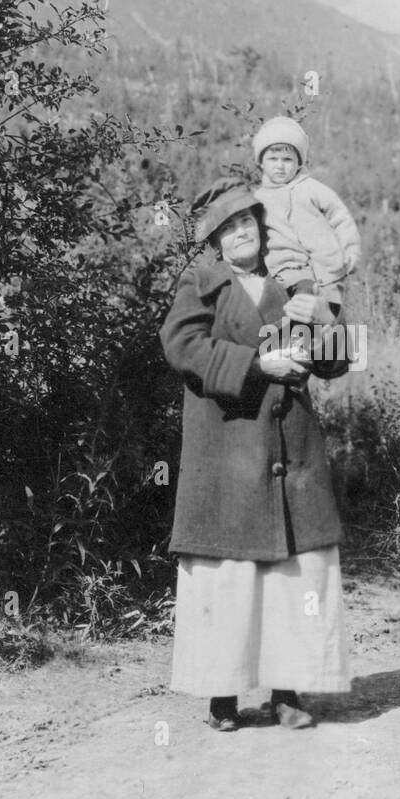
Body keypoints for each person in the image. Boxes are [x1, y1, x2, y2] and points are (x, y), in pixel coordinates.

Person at [160, 177, 352, 732]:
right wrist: (256, 366)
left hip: (291, 451)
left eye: (249, 222)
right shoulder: (201, 281)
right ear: (215, 240)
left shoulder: (291, 285)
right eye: (230, 226)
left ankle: (286, 694)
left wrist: (323, 321)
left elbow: (337, 361)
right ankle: (222, 697)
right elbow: (180, 346)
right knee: (227, 573)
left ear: (261, 230)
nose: (241, 232)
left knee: (292, 575)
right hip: (226, 448)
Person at [252, 116, 361, 310]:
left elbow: (340, 218)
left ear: (299, 163)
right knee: (296, 314)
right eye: (272, 159)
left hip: (328, 270)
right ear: (261, 162)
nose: (280, 166)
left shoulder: (311, 188)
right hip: (285, 272)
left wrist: (350, 250)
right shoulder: (259, 199)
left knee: (330, 318)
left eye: (287, 160)